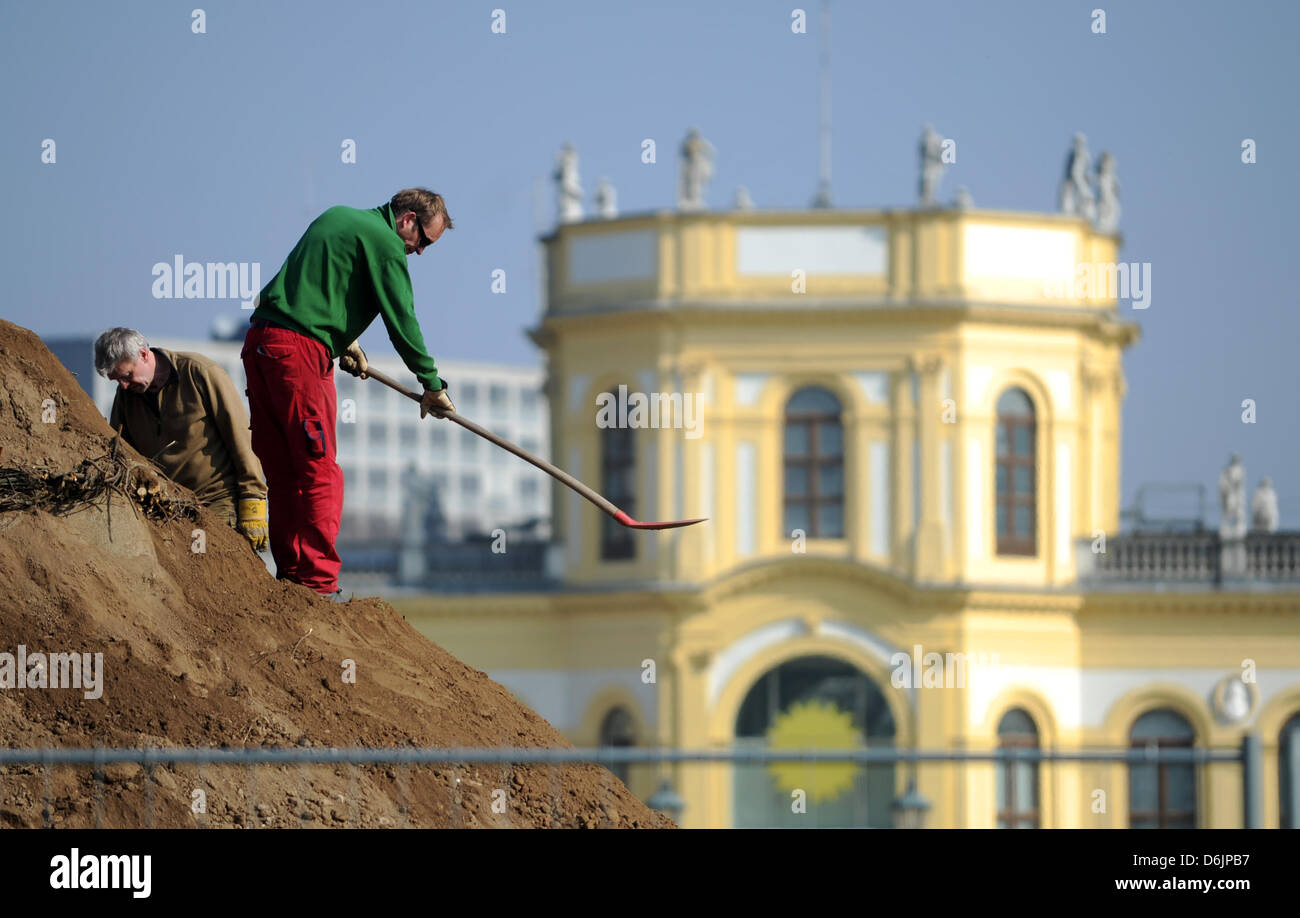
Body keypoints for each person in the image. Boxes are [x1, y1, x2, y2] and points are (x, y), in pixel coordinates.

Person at [242, 187, 456, 601]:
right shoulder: (386, 243)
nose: (421, 252)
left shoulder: (338, 216)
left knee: (285, 470)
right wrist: (432, 384)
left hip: (262, 344)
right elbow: (402, 321)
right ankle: (318, 585)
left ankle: (292, 577)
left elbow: (318, 286)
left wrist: (342, 342)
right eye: (423, 241)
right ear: (407, 220)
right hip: (299, 355)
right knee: (320, 470)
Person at [95, 327, 268, 551]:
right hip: (166, 509)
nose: (124, 385)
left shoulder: (200, 373)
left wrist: (253, 499)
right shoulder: (125, 398)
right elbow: (121, 455)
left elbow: (241, 437)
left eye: (127, 375)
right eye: (117, 380)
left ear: (144, 355)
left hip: (217, 502)